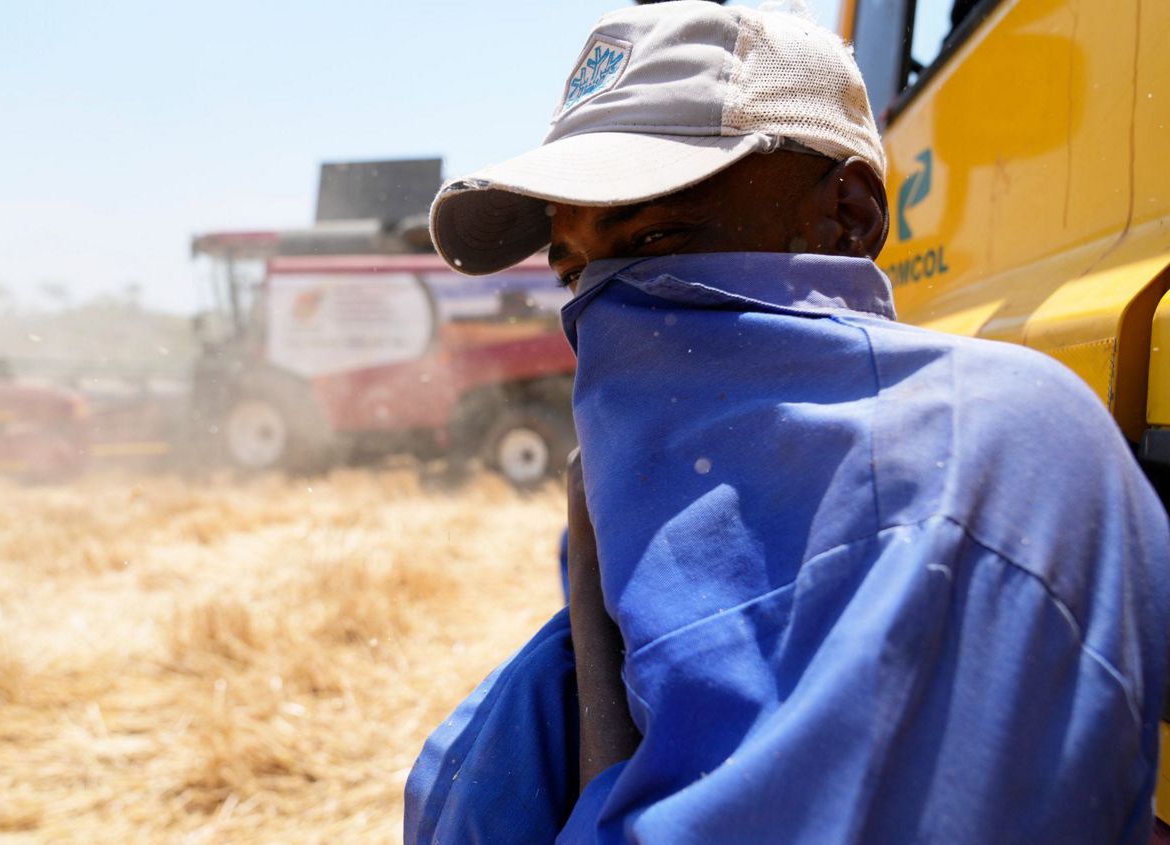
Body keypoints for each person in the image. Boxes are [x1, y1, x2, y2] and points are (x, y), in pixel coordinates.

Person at [405, 3, 1170, 842]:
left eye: (656, 238)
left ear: (849, 217)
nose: (608, 310)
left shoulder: (984, 461)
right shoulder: (621, 524)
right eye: (575, 274)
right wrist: (591, 617)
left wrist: (595, 640)